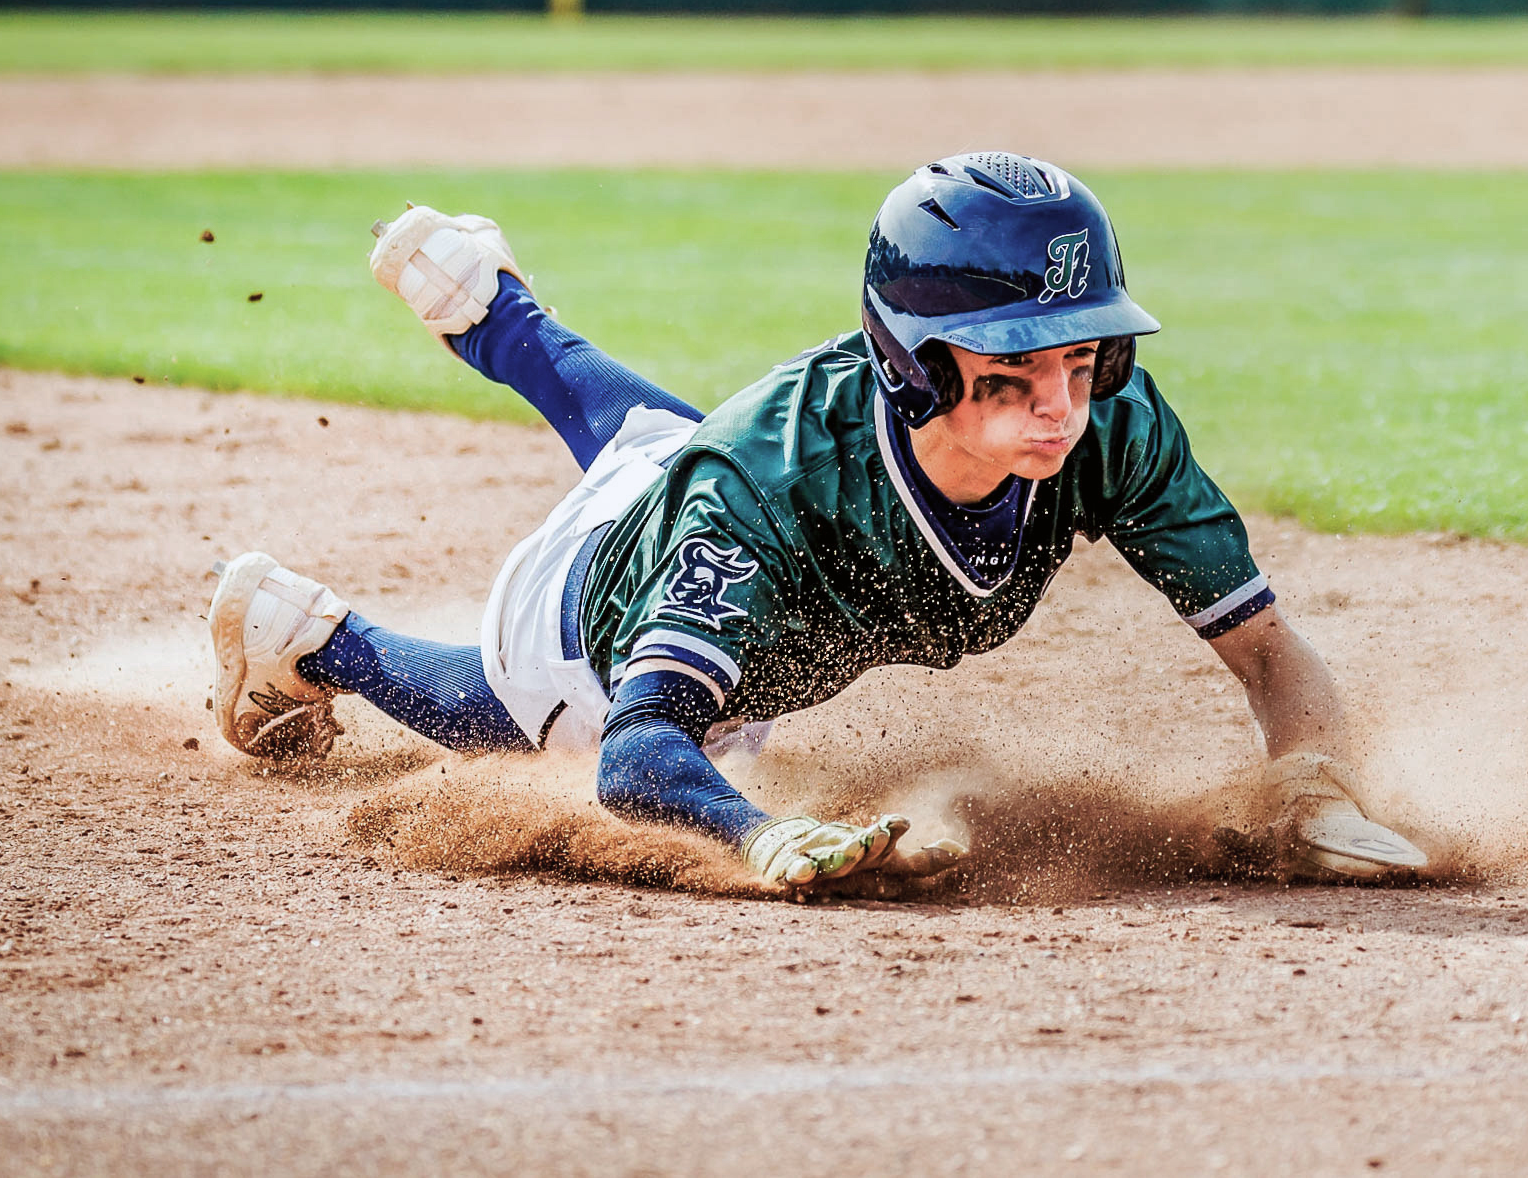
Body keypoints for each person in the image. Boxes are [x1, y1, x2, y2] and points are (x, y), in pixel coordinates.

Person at [208, 152, 1427, 888]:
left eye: (1085, 353)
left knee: (662, 441)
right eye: (1010, 368)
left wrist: (1311, 789)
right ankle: (312, 634)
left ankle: (490, 305)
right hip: (582, 624)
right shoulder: (758, 495)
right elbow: (643, 755)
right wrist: (759, 836)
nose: (1060, 402)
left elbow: (1267, 653)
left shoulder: (1107, 418)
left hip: (695, 475)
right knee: (526, 723)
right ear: (911, 363)